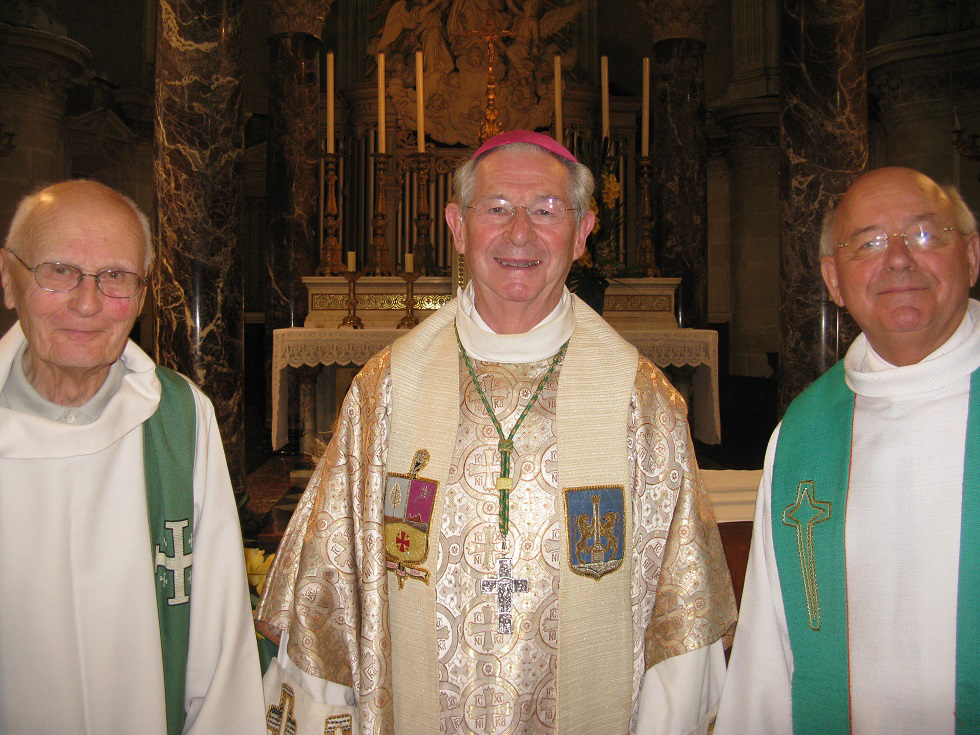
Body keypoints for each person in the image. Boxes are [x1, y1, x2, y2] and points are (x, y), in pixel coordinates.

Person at [256, 130, 736, 734]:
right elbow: (332, 586)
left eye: (546, 211)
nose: (520, 234)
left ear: (583, 233)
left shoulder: (639, 403)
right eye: (498, 209)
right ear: (458, 227)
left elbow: (678, 620)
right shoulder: (387, 393)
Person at [714, 167, 980, 734]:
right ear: (834, 280)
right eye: (869, 243)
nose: (900, 260)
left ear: (973, 254)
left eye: (926, 235)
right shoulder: (804, 432)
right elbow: (769, 644)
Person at [0, 180, 266, 734]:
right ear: (9, 278)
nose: (88, 302)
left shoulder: (178, 418)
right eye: (58, 270)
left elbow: (219, 639)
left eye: (115, 277)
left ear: (142, 297)